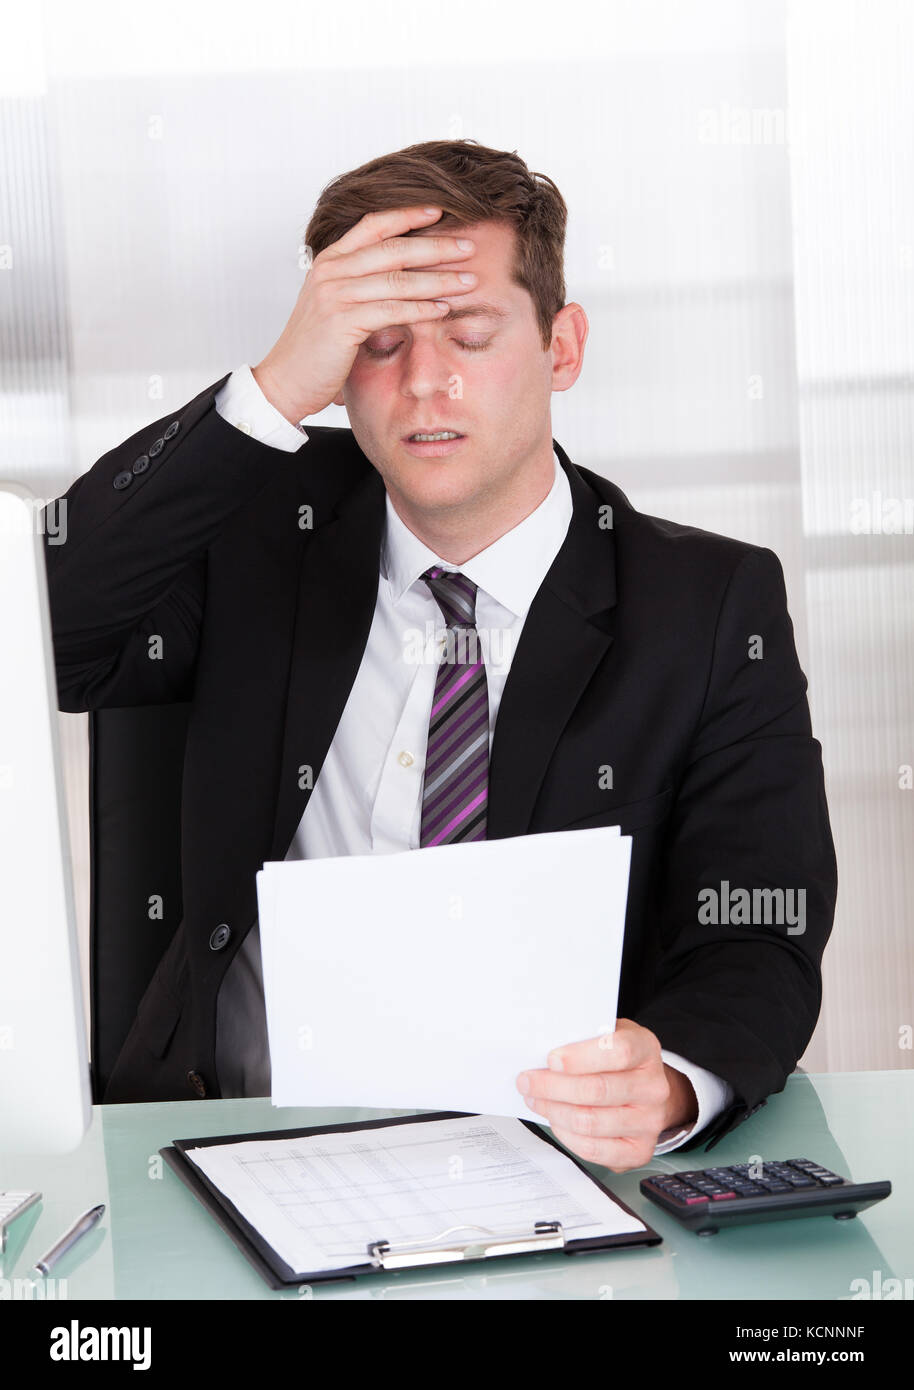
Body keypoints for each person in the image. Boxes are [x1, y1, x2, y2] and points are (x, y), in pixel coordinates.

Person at [44, 139, 837, 1170]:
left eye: (468, 334)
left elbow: (754, 930)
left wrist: (675, 1076)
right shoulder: (249, 529)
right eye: (376, 342)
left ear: (561, 348)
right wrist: (273, 388)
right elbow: (40, 637)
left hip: (550, 1163)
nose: (424, 384)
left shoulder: (708, 604)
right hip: (228, 1138)